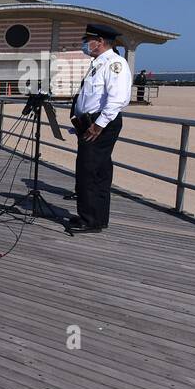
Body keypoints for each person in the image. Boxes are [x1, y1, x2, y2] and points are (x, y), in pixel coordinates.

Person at [67, 23, 131, 235]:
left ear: (100, 41)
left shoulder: (115, 64)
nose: (85, 44)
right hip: (91, 122)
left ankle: (90, 220)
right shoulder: (99, 63)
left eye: (88, 40)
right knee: (97, 171)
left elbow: (117, 99)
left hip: (100, 124)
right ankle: (94, 216)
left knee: (90, 171)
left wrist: (98, 125)